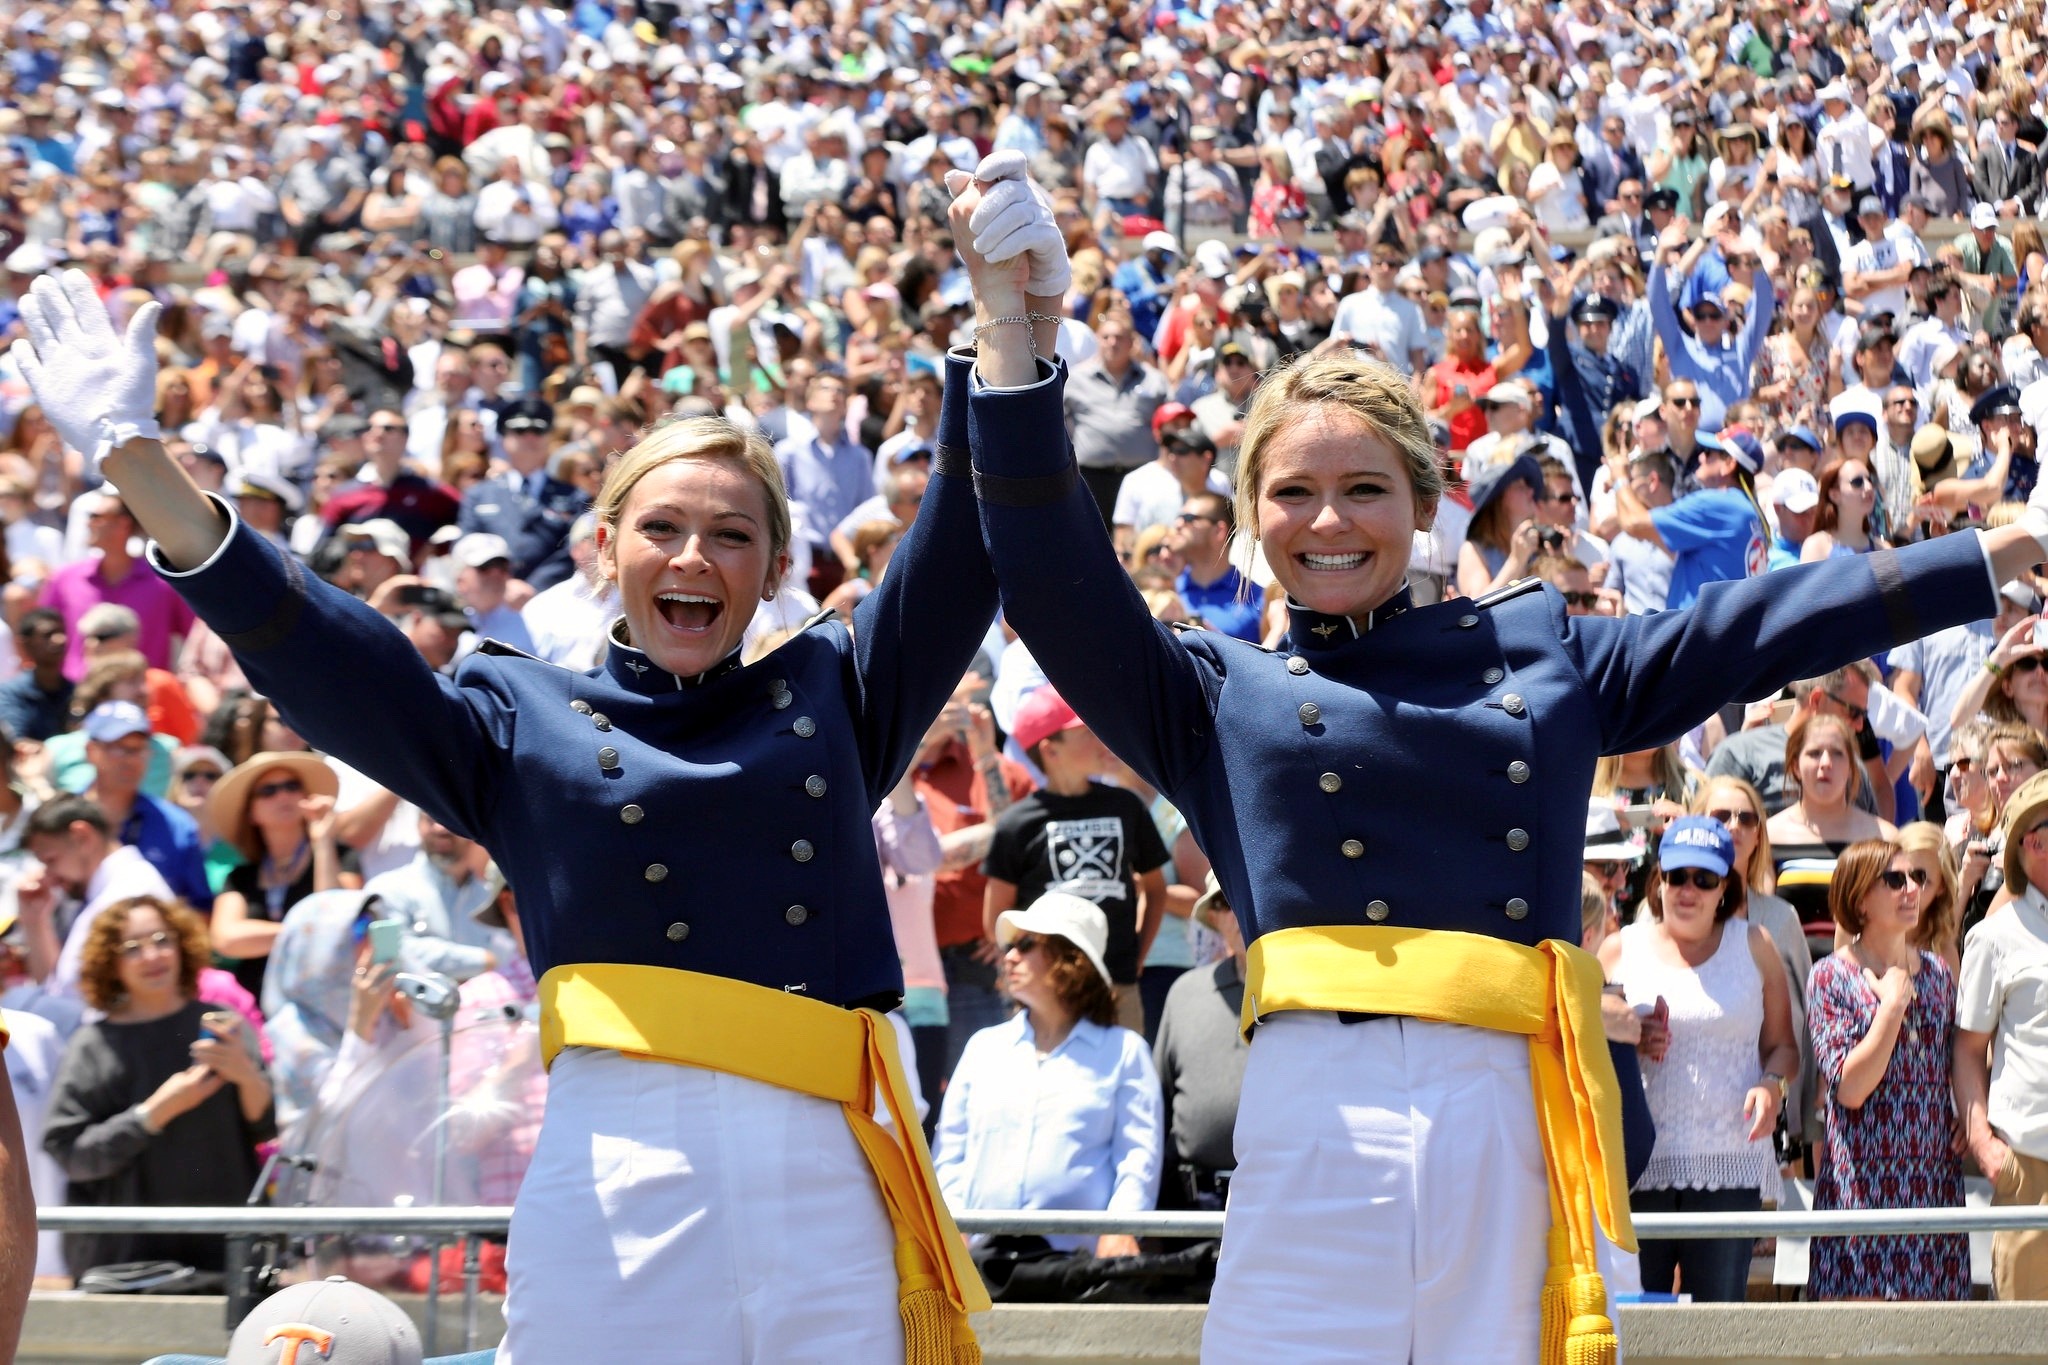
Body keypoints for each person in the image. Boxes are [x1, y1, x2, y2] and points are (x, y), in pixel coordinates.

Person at [946, 151, 2046, 1361]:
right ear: (1250, 518)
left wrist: (1987, 556)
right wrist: (1012, 334)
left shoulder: (1543, 657)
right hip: (1312, 1115)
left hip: (1511, 1110)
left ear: (1422, 507)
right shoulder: (1216, 688)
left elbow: (1747, 630)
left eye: (1362, 487)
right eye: (1292, 492)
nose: (1326, 522)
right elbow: (1050, 581)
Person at [10, 272, 995, 1358]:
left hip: (831, 1164)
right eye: (660, 527)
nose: (690, 558)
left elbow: (954, 565)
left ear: (772, 572)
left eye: (729, 537)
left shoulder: (833, 692)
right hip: (619, 1161)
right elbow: (330, 655)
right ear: (603, 547)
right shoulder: (520, 714)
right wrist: (132, 457)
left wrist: (1000, 335)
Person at [1600, 817, 1797, 1303]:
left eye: (1704, 879)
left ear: (1725, 886)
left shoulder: (1756, 945)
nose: (1688, 890)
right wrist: (1627, 1034)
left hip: (1728, 1159)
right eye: (1676, 876)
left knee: (1718, 1321)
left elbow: (1785, 1047)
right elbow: (1582, 1037)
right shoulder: (1619, 947)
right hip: (1636, 1161)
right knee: (1634, 1318)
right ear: (1658, 880)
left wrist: (1772, 1086)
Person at [42, 895, 275, 1279]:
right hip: (129, 1268)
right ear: (111, 963)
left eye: (162, 940)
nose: (153, 956)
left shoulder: (222, 1024)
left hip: (225, 1257)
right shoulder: (93, 1045)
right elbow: (73, 1156)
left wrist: (245, 1074)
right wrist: (155, 1113)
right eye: (133, 948)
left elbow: (266, 1126)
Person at [932, 892, 1163, 1257]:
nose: (1009, 956)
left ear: (1071, 958)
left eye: (1026, 945)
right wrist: (952, 1228)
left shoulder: (1126, 1051)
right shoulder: (983, 1048)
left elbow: (1138, 1159)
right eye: (1010, 945)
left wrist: (1122, 1228)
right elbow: (951, 1156)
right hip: (980, 1263)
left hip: (1079, 1268)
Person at [1806, 837, 1970, 1301]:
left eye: (1916, 878)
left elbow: (1956, 1060)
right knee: (1861, 1342)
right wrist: (1892, 1005)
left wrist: (1965, 1116)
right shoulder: (1830, 977)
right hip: (1862, 1188)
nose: (1911, 889)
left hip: (1933, 1187)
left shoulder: (1938, 973)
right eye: (1894, 880)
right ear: (1859, 898)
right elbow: (1851, 1088)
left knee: (1938, 1343)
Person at [982, 687, 1170, 1036]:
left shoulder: (1126, 807)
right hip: (1047, 995)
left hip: (1118, 986)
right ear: (1050, 750)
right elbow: (996, 917)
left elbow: (1155, 890)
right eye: (1085, 732)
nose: (1100, 739)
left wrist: (1136, 957)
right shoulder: (1017, 824)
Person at [1959, 770, 2048, 1300]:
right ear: (2030, 844)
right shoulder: (1993, 937)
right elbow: (1968, 1050)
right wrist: (1984, 1145)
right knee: (2028, 1346)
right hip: (2029, 1167)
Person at [205, 752, 348, 1001]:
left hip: (323, 998)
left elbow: (335, 920)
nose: (283, 796)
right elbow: (225, 938)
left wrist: (323, 841)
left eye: (292, 786)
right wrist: (304, 932)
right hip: (256, 1004)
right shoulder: (240, 876)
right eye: (268, 791)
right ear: (251, 813)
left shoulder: (341, 857)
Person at [1152, 874, 1249, 1215]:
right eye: (1226, 903)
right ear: (1214, 917)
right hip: (1192, 1209)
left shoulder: (1311, 996)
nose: (1238, 913)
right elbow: (1157, 1109)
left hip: (1287, 1203)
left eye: (1246, 896)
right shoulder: (1185, 992)